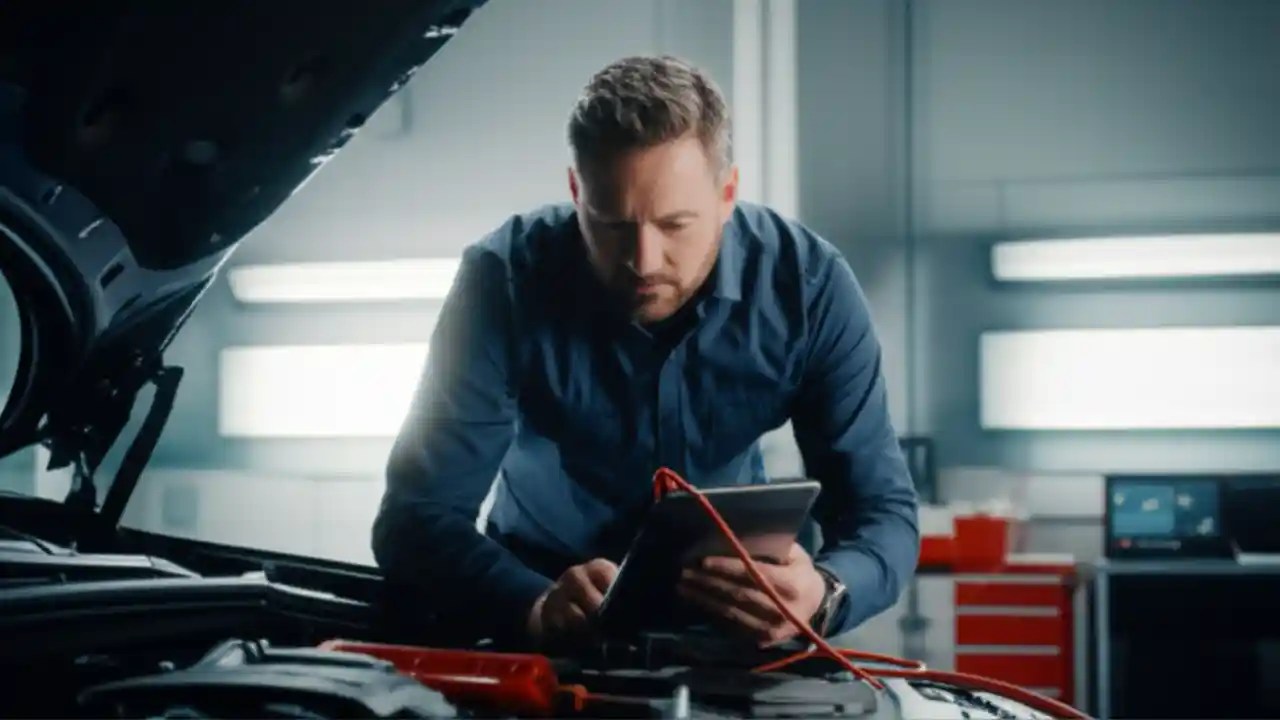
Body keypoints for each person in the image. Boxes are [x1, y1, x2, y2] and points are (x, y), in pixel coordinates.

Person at [372, 55, 919, 651]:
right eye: (611, 225)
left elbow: (881, 512)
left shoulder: (808, 288)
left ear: (727, 194)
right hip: (543, 621)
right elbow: (415, 517)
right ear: (577, 192)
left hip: (732, 628)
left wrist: (825, 593)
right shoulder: (502, 281)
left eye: (675, 224)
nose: (644, 261)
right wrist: (529, 602)